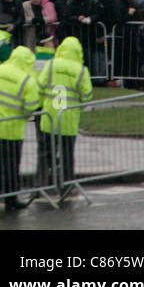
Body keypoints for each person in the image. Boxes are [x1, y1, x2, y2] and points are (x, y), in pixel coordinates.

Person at [0, 44, 41, 211]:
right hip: (12, 131)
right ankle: (10, 200)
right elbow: (31, 106)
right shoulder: (27, 80)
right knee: (11, 168)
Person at [36, 36, 93, 191]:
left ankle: (43, 184)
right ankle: (67, 184)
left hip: (49, 117)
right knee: (67, 153)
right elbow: (87, 95)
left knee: (46, 152)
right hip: (68, 119)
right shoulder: (81, 70)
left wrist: (42, 105)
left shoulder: (51, 65)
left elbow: (39, 86)